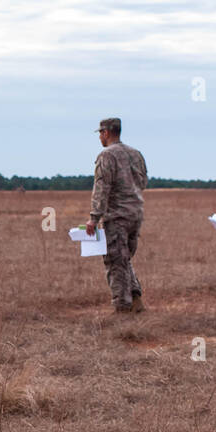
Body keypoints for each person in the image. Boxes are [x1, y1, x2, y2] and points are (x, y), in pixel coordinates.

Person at [86, 117, 148, 312]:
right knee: (124, 258)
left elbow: (102, 188)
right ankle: (135, 296)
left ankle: (123, 307)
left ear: (106, 133)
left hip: (117, 217)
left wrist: (94, 218)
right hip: (135, 214)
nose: (100, 138)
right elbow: (143, 182)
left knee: (115, 261)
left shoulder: (106, 156)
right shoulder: (136, 154)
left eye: (100, 134)